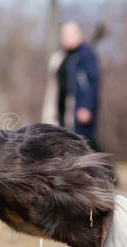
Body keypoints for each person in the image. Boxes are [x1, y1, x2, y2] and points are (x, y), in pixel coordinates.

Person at [42, 21, 101, 151]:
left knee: (85, 143)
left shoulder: (85, 55)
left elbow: (91, 83)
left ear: (79, 34)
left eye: (70, 34)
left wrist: (86, 106)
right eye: (64, 35)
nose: (66, 38)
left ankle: (107, 170)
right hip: (61, 109)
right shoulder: (60, 57)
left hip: (78, 108)